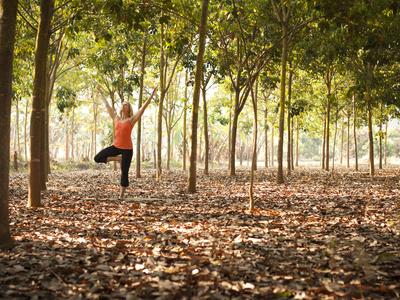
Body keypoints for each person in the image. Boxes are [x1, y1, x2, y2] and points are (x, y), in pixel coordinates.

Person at [94, 88, 157, 200]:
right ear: (121, 108)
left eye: (127, 104)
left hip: (127, 149)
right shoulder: (116, 118)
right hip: (116, 147)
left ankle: (121, 195)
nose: (124, 105)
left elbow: (142, 109)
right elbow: (108, 106)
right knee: (97, 157)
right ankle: (118, 159)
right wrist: (101, 93)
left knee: (125, 172)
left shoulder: (131, 120)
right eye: (123, 104)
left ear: (129, 108)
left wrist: (151, 96)